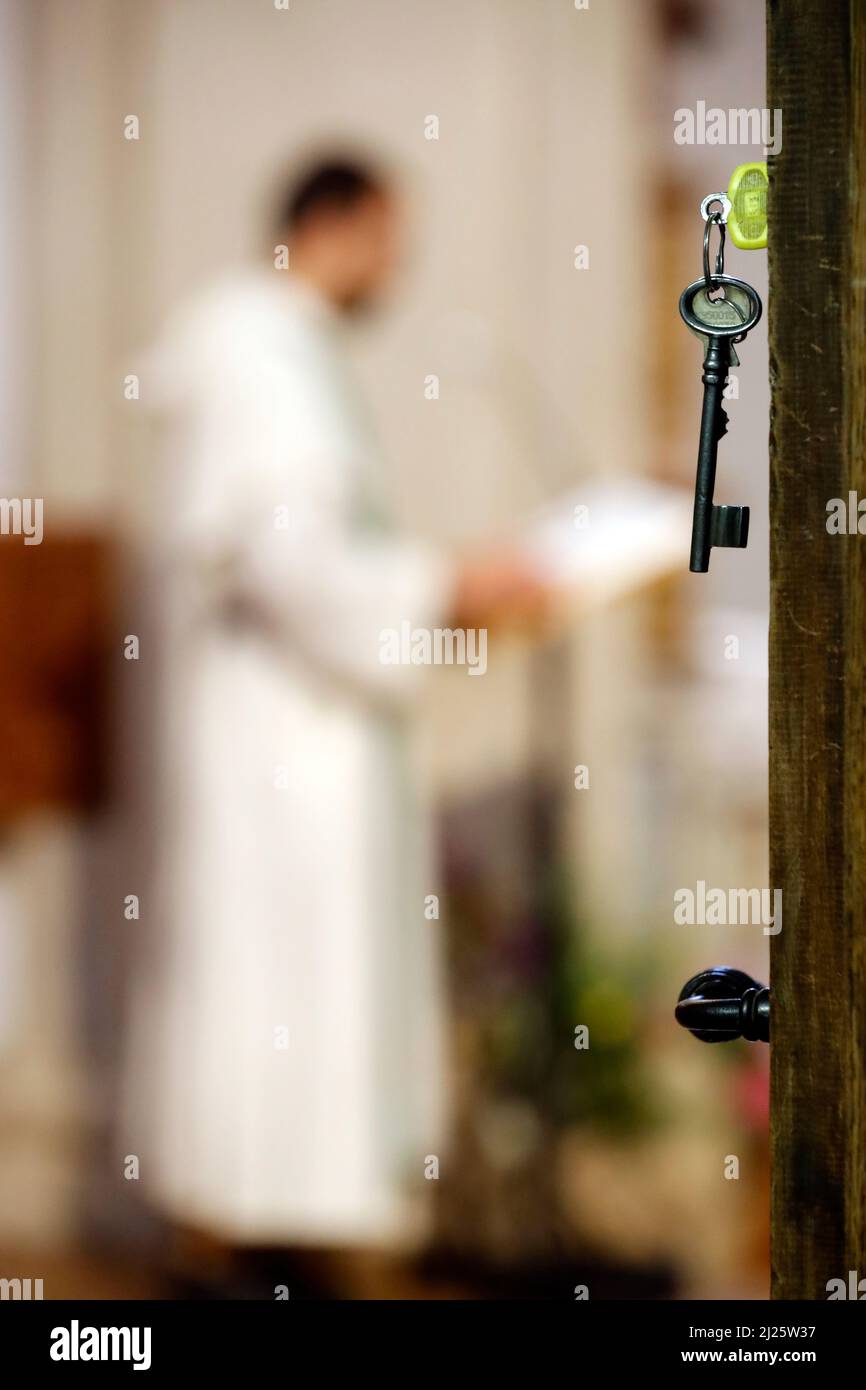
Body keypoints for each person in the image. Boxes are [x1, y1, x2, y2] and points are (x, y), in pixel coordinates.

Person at [123, 155, 546, 1292]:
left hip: (303, 740)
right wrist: (443, 587)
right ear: (337, 224)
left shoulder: (287, 356)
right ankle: (254, 1242)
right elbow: (286, 562)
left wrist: (432, 593)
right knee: (278, 984)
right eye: (390, 239)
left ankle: (278, 1236)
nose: (397, 268)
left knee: (295, 989)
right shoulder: (260, 355)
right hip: (281, 751)